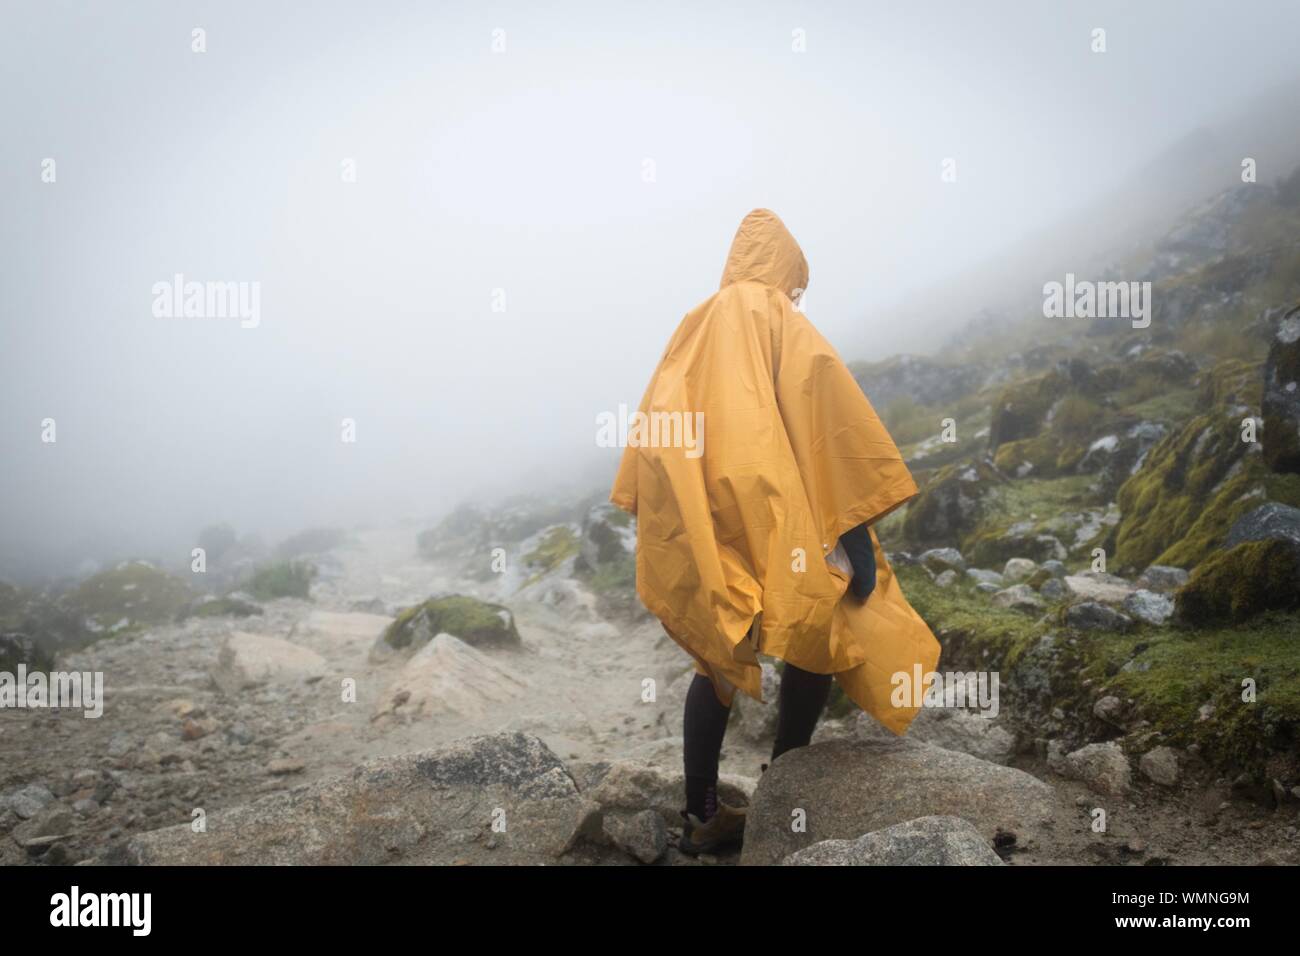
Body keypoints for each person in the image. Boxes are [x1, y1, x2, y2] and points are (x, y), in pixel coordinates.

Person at [609, 209, 940, 855]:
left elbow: (658, 418)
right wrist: (857, 523)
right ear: (786, 271)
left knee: (719, 654)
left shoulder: (694, 324)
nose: (796, 296)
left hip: (709, 518)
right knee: (816, 633)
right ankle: (786, 778)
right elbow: (832, 415)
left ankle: (700, 807)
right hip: (780, 514)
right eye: (797, 284)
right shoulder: (781, 318)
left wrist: (653, 501)